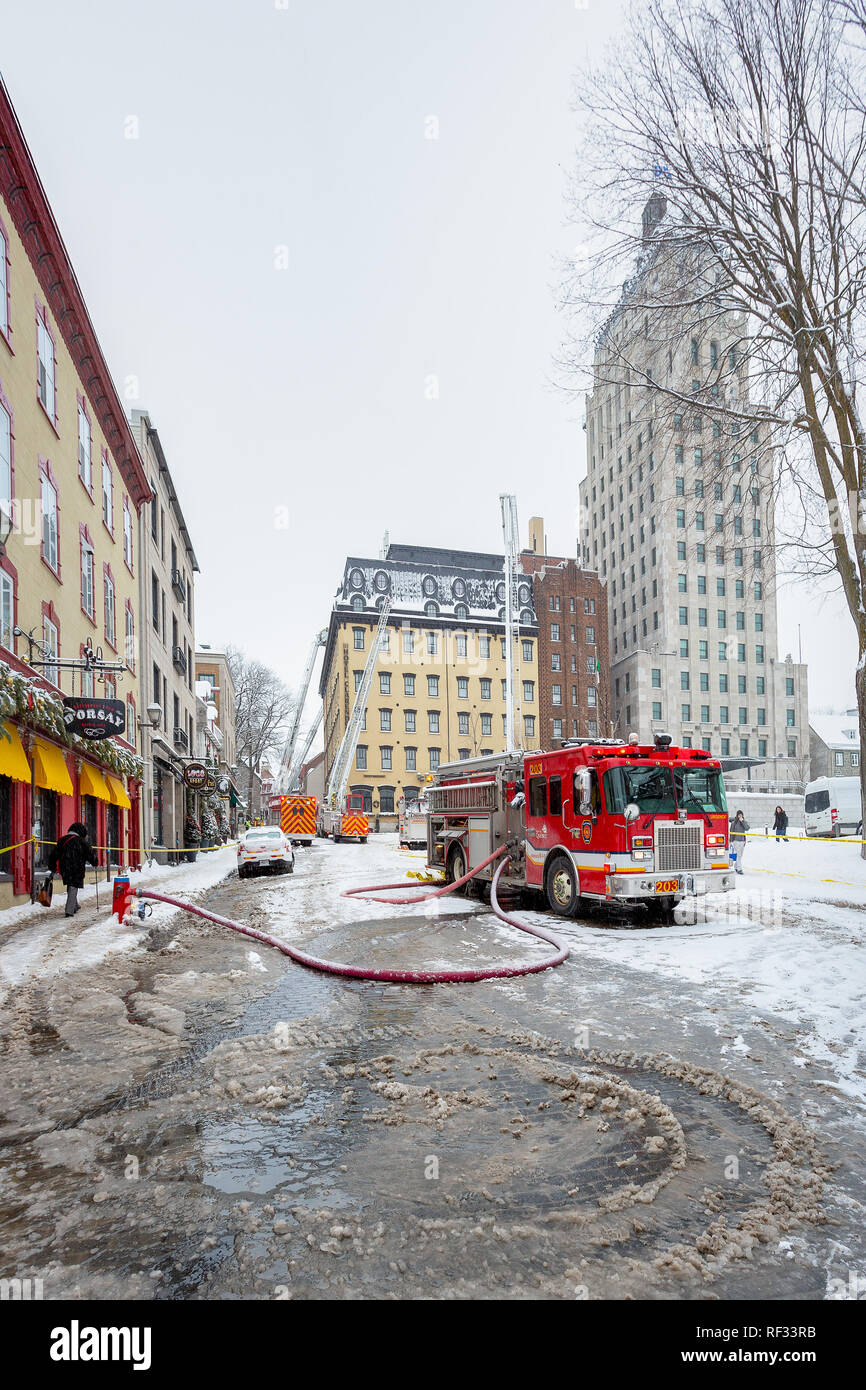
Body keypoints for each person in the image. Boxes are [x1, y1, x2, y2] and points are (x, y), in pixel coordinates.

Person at [48, 822, 98, 917]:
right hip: (77, 867)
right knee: (73, 886)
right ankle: (69, 910)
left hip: (65, 868)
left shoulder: (62, 840)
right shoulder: (81, 842)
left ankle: (75, 906)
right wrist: (95, 862)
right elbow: (90, 854)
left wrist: (52, 866)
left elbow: (54, 855)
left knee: (71, 885)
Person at [729, 810, 749, 874]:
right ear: (737, 815)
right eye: (739, 815)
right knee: (739, 855)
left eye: (741, 815)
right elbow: (731, 832)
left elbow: (747, 828)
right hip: (736, 841)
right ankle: (739, 869)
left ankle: (736, 867)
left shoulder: (744, 822)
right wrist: (731, 841)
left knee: (740, 855)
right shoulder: (733, 823)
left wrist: (742, 821)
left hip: (742, 841)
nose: (740, 816)